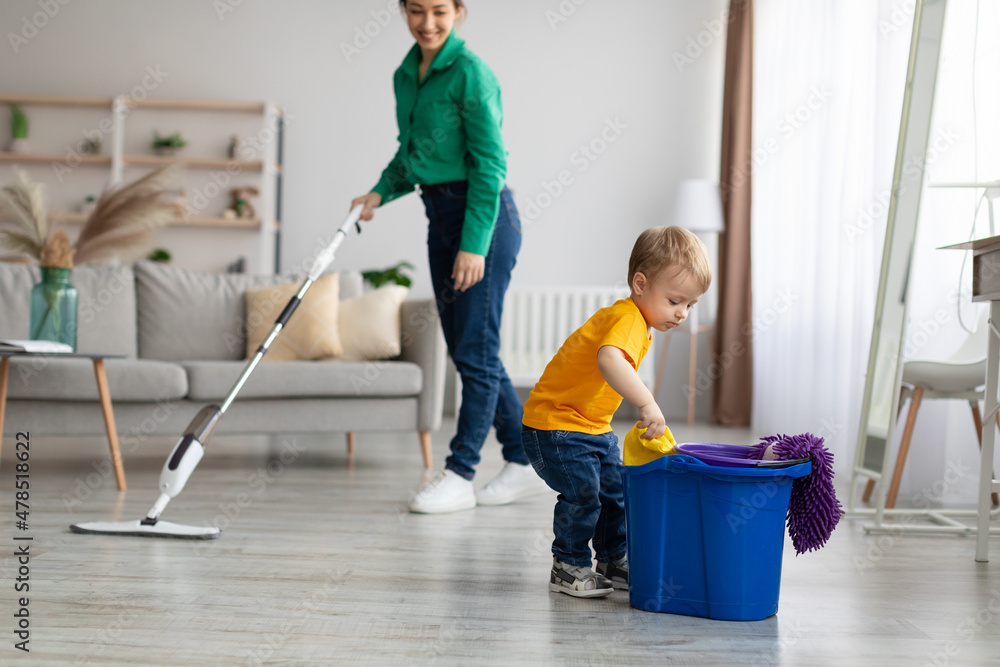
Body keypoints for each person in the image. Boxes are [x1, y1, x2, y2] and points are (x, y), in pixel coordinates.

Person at [351, 0, 544, 514]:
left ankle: (459, 475)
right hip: (439, 215)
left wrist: (474, 244)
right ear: (403, 12)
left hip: (483, 219)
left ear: (459, 11)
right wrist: (377, 193)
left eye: (439, 10)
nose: (428, 22)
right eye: (416, 10)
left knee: (475, 352)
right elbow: (410, 154)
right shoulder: (405, 74)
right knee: (470, 349)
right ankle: (524, 461)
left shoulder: (471, 73)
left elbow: (490, 163)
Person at [521, 226, 712, 597]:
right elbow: (610, 360)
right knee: (585, 493)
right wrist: (647, 402)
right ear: (640, 284)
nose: (682, 314)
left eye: (690, 305)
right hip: (555, 425)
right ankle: (568, 563)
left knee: (615, 491)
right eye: (675, 300)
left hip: (591, 427)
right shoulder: (627, 317)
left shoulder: (640, 323)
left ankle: (611, 557)